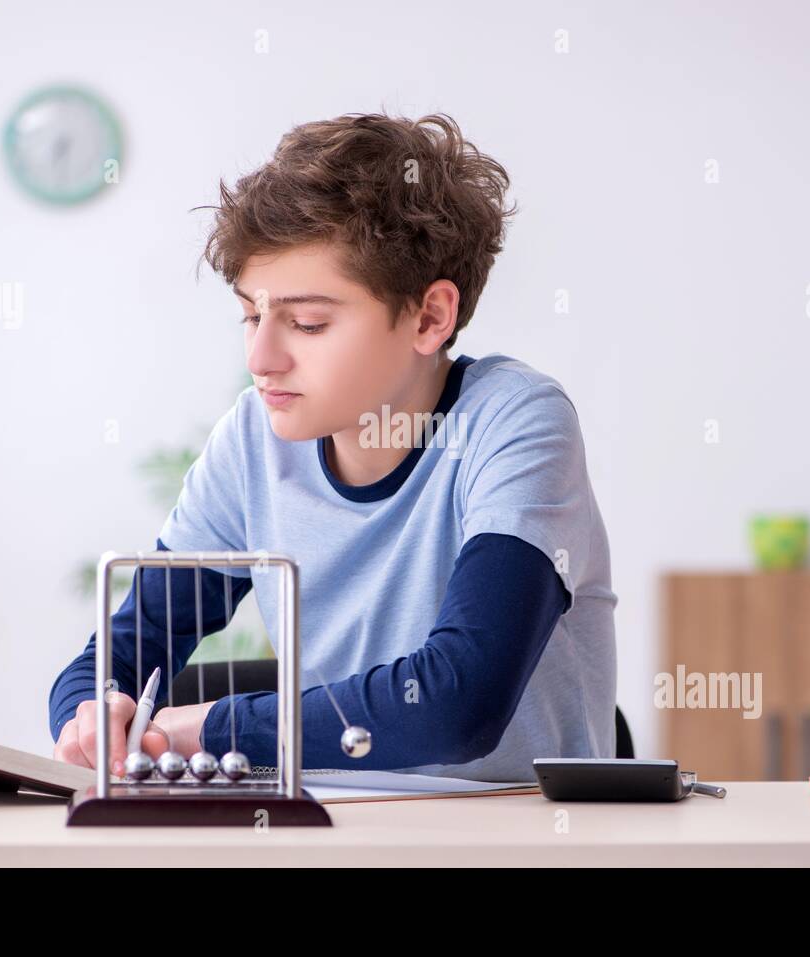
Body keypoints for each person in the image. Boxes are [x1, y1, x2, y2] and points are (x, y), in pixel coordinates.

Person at [48, 111, 617, 782]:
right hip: (328, 826)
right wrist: (91, 712)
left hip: (508, 832)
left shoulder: (515, 421)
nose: (261, 357)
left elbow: (459, 704)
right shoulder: (252, 438)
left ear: (429, 317)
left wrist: (206, 725)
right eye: (252, 315)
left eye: (307, 323)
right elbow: (121, 650)